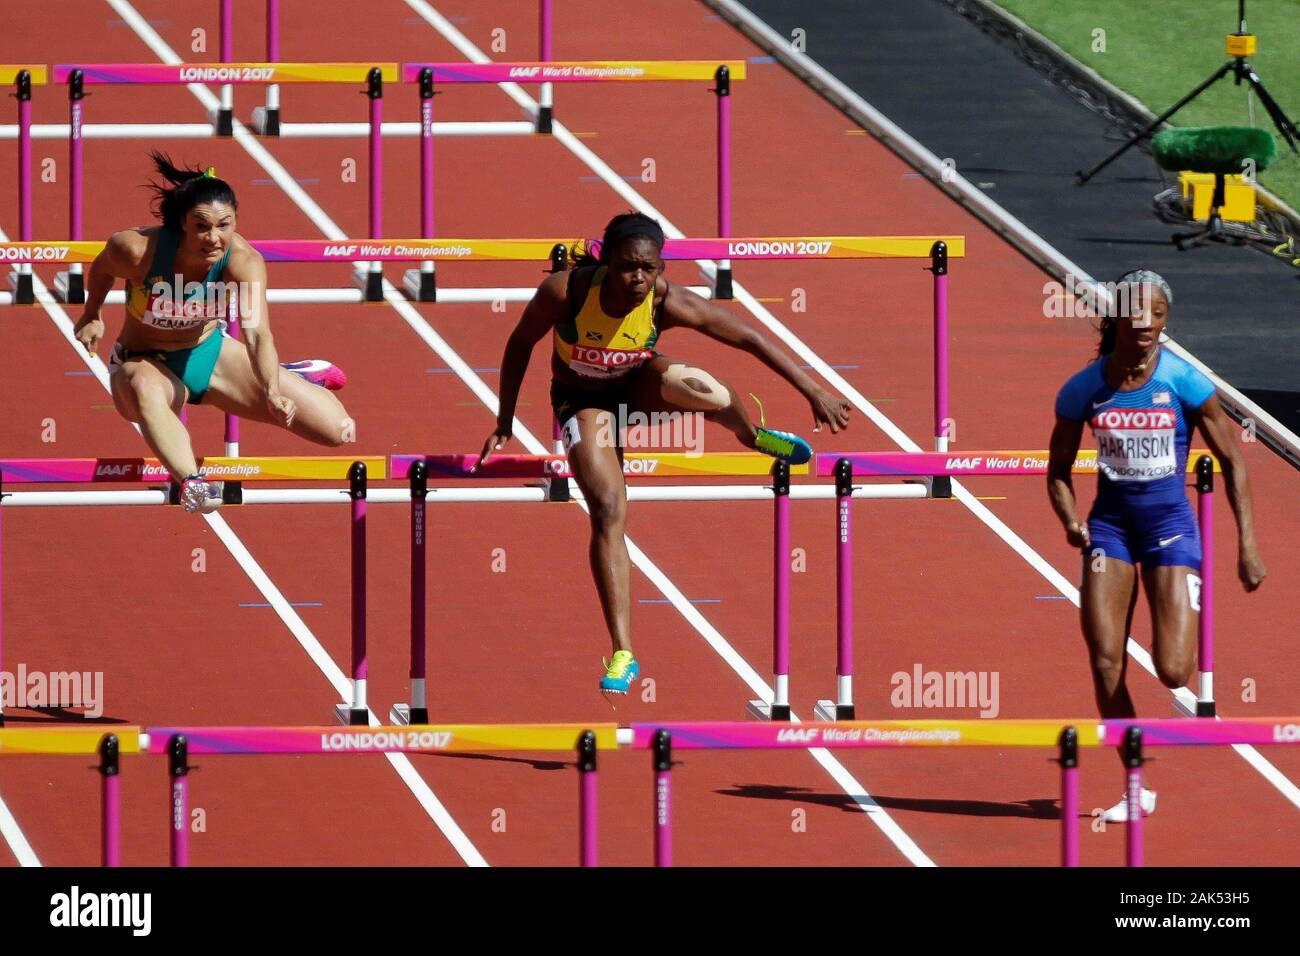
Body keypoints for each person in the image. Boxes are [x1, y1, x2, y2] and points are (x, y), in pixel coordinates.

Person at [479, 212, 852, 694]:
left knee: (707, 389)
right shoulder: (566, 292)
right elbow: (519, 344)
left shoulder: (662, 300)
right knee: (609, 510)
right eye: (629, 267)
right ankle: (623, 653)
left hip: (639, 389)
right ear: (606, 260)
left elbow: (749, 337)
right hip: (583, 402)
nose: (639, 278)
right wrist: (505, 421)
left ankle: (751, 435)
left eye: (650, 268)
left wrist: (812, 390)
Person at [1048, 270, 1265, 821]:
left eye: (1158, 314)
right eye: (1138, 312)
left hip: (1170, 527)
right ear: (1117, 315)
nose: (1147, 322)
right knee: (1104, 663)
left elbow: (1234, 461)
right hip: (1111, 530)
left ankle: (1178, 622)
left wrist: (1247, 544)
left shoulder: (1185, 382)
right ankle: (1135, 784)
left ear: (1166, 320)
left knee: (1173, 671)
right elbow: (1056, 472)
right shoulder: (1082, 390)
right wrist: (1072, 520)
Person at [72, 153, 353, 512]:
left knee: (338, 431)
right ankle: (193, 484)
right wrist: (92, 313)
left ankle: (288, 375)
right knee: (143, 389)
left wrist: (271, 390)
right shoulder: (138, 250)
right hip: (144, 363)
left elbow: (258, 334)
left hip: (208, 354)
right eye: (202, 226)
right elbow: (101, 268)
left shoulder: (243, 261)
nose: (213, 238)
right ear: (182, 225)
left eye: (224, 225)